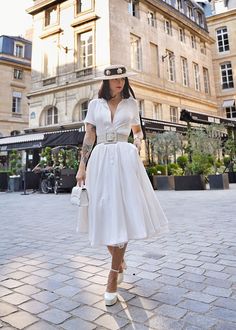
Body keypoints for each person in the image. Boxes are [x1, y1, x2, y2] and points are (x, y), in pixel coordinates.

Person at [76, 64, 168, 306]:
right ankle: (119, 260)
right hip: (101, 159)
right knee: (103, 211)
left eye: (123, 79)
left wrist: (138, 142)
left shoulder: (131, 104)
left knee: (123, 211)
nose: (120, 83)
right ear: (105, 82)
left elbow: (138, 132)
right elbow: (89, 136)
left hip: (126, 159)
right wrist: (82, 166)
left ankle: (113, 275)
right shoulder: (94, 105)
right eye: (116, 79)